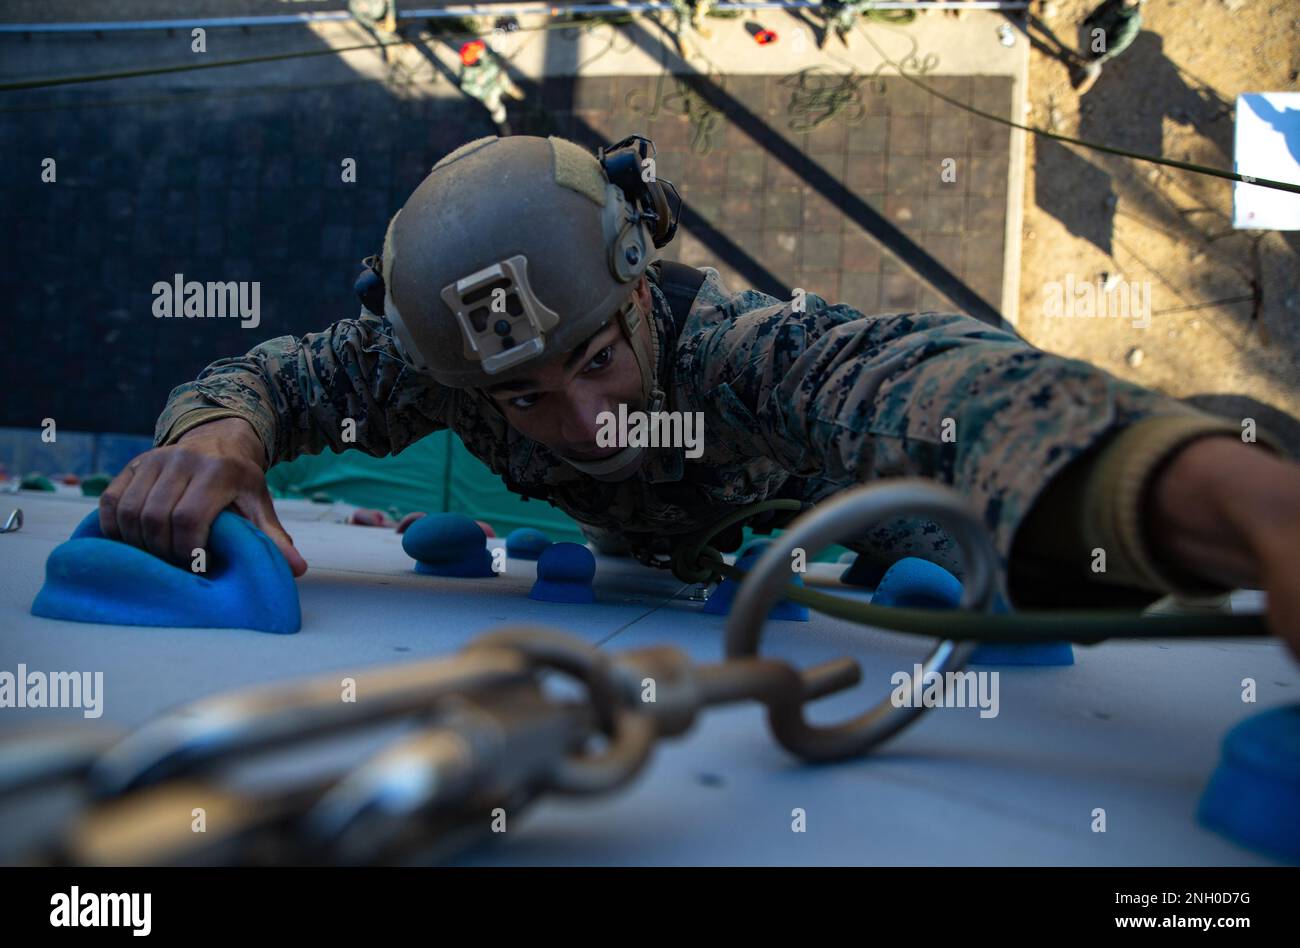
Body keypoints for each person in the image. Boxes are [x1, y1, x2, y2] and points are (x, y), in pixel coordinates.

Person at [102, 134, 1300, 657]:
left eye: (598, 362)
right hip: (631, 555)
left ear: (638, 295)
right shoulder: (443, 367)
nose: (584, 426)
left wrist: (1225, 497)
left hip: (808, 504)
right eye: (521, 398)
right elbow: (268, 377)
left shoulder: (732, 352)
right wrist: (218, 440)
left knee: (939, 537)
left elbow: (919, 383)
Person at [1073, 0, 1146, 95]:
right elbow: (1102, 7)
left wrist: (1105, 53)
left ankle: (1088, 77)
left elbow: (1120, 43)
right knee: (1090, 51)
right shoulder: (1116, 2)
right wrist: (1092, 18)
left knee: (1093, 62)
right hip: (1098, 31)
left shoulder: (1132, 20)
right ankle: (1088, 62)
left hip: (1104, 43)